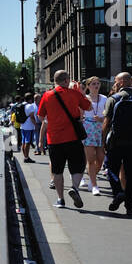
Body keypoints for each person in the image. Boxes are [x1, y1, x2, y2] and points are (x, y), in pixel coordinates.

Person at [37, 70, 90, 209]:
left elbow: (41, 116)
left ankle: (60, 199)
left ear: (55, 81)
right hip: (73, 137)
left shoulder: (47, 95)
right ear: (67, 81)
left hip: (54, 139)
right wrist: (80, 91)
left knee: (57, 170)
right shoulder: (74, 93)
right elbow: (88, 106)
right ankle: (74, 188)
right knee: (78, 166)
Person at [102, 72, 132, 218]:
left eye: (115, 81)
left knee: (110, 168)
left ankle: (118, 192)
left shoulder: (113, 99)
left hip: (116, 142)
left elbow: (106, 123)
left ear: (120, 83)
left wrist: (103, 142)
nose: (114, 82)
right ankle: (130, 207)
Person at [81, 76, 108, 193]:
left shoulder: (104, 98)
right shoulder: (84, 99)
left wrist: (101, 119)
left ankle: (91, 174)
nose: (96, 86)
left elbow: (107, 115)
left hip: (100, 128)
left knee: (101, 158)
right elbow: (79, 114)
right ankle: (94, 185)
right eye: (93, 84)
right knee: (91, 158)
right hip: (88, 128)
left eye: (97, 83)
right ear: (88, 86)